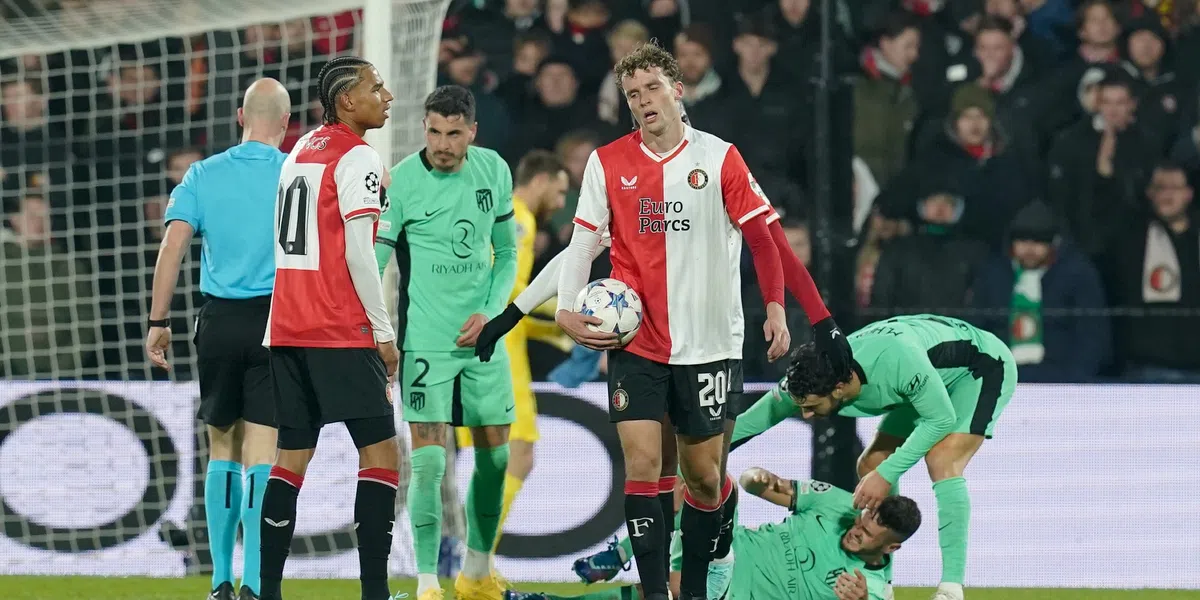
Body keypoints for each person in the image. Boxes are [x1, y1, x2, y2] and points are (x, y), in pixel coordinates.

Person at [552, 41, 793, 600]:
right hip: (636, 340)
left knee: (704, 478)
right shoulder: (607, 161)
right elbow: (585, 239)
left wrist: (776, 305)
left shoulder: (719, 157)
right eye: (632, 95)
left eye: (652, 88)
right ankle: (658, 592)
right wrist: (566, 306)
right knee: (642, 465)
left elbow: (761, 236)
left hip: (709, 344)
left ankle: (697, 592)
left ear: (677, 91)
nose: (643, 101)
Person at [257, 56, 400, 600]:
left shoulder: (300, 150)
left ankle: (267, 591)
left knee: (290, 459)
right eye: (375, 87)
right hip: (338, 328)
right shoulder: (358, 155)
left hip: (288, 327)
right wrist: (382, 332)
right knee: (381, 454)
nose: (385, 96)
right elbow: (360, 255)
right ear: (347, 101)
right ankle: (374, 593)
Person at [145, 78, 291, 600]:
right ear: (286, 123)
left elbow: (172, 248)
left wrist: (158, 321)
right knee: (262, 451)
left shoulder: (203, 174)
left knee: (221, 447)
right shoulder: (298, 174)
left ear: (239, 116)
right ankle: (254, 580)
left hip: (220, 321)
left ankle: (219, 582)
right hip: (279, 320)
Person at [374, 84, 518, 600]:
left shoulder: (494, 170)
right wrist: (376, 327)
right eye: (434, 131)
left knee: (497, 459)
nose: (442, 143)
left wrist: (491, 313)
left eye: (453, 134)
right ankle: (428, 583)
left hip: (483, 339)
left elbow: (507, 254)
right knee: (429, 463)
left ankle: (477, 571)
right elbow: (378, 260)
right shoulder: (403, 182)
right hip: (426, 342)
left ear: (471, 132)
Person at [786, 314, 1019, 600]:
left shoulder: (880, 362)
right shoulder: (817, 375)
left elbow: (941, 420)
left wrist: (887, 476)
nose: (806, 414)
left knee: (942, 460)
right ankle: (883, 581)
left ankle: (951, 589)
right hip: (931, 374)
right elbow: (761, 414)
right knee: (871, 463)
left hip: (980, 366)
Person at [507, 469, 921, 600]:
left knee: (658, 592)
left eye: (867, 535)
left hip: (735, 592)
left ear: (892, 547)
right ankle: (616, 556)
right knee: (710, 483)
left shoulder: (875, 588)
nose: (856, 531)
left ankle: (617, 556)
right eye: (863, 520)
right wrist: (764, 483)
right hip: (736, 544)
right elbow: (780, 489)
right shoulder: (841, 506)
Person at [452, 149, 571, 555]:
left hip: (485, 348)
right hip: (497, 355)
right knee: (518, 455)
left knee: (498, 459)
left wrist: (553, 332)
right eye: (559, 191)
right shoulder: (519, 220)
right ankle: (476, 561)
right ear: (540, 180)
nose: (560, 203)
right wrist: (563, 313)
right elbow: (512, 296)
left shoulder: (503, 214)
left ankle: (474, 560)